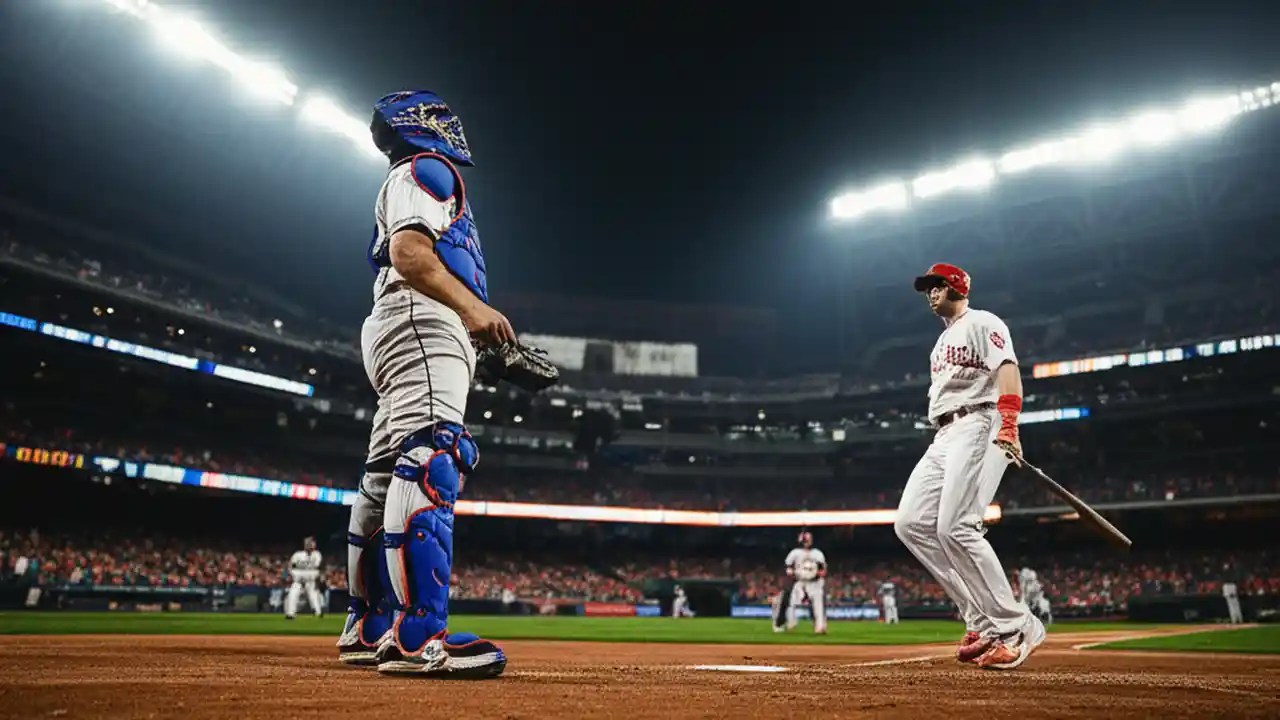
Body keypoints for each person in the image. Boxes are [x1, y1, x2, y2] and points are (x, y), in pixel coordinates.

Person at [335, 90, 510, 679]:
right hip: (421, 317)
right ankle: (418, 636)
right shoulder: (426, 168)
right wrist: (474, 311)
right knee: (432, 457)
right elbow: (412, 254)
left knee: (384, 478)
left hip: (401, 322)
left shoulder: (408, 175)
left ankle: (369, 626)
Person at [894, 263, 1045, 670]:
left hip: (979, 421)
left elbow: (1008, 370)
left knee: (956, 526)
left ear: (956, 285)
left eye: (936, 286)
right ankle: (980, 619)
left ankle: (1016, 628)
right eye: (927, 288)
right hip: (944, 433)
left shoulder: (983, 322)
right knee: (911, 523)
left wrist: (1009, 423)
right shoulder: (940, 343)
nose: (930, 293)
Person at [772, 530, 827, 634]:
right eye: (805, 540)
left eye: (808, 540)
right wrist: (791, 572)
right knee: (789, 600)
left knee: (818, 602)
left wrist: (818, 574)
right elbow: (788, 565)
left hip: (814, 582)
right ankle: (787, 623)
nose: (807, 542)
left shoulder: (817, 553)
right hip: (799, 581)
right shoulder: (795, 553)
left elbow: (822, 569)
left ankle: (820, 626)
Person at [285, 536, 324, 619]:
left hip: (310, 580)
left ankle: (318, 612)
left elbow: (318, 567)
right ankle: (291, 613)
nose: (310, 544)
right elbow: (291, 566)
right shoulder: (298, 554)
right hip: (298, 580)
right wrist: (292, 575)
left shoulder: (317, 554)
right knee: (293, 594)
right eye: (308, 543)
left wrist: (318, 578)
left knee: (314, 596)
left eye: (312, 542)